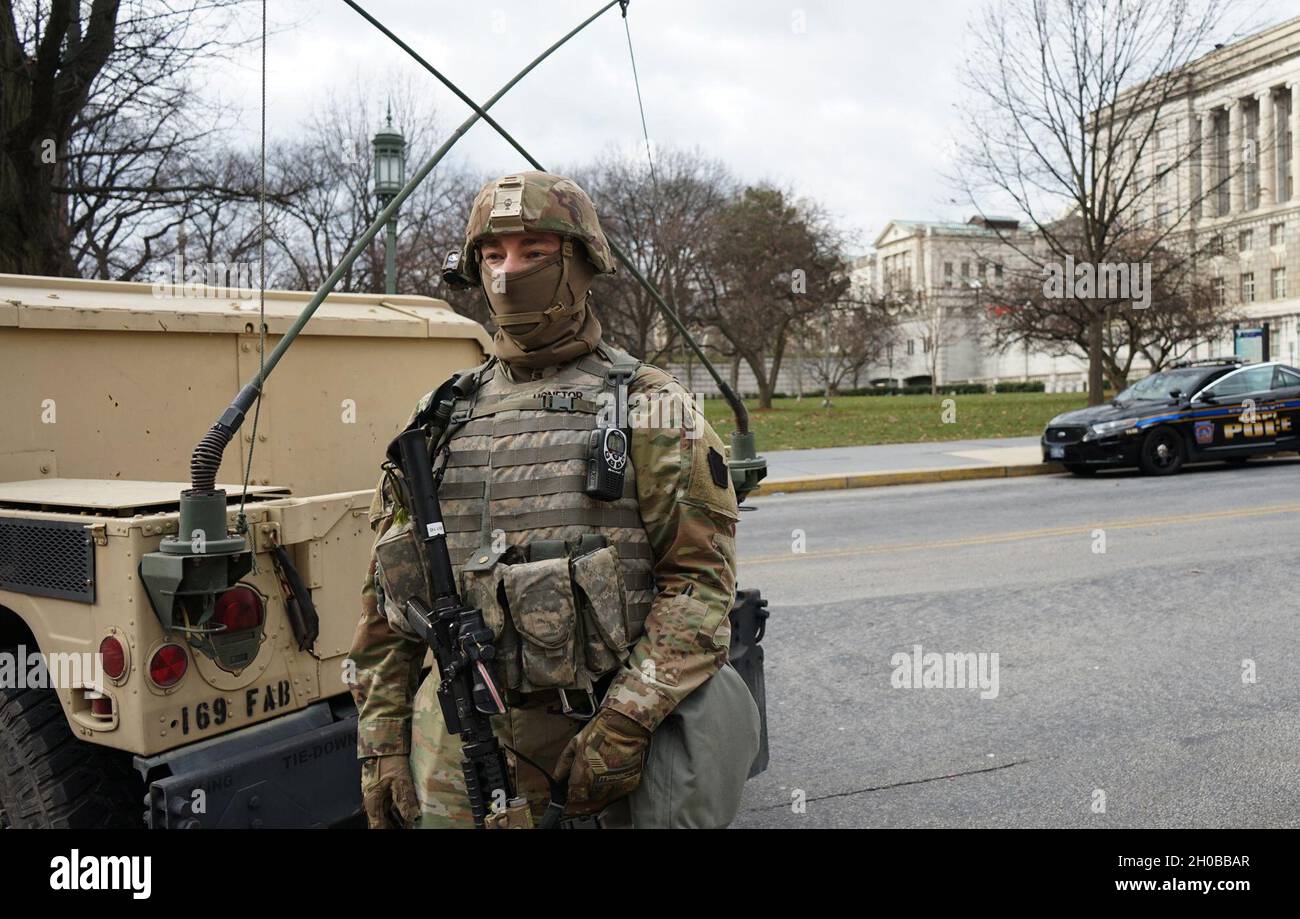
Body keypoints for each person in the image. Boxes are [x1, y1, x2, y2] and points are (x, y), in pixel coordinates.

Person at [348, 170, 740, 828]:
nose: (508, 273)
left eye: (534, 253)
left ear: (584, 264)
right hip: (452, 754)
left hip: (599, 753)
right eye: (492, 255)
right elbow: (388, 599)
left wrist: (623, 725)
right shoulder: (440, 418)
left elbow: (699, 587)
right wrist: (381, 743)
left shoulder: (651, 407)